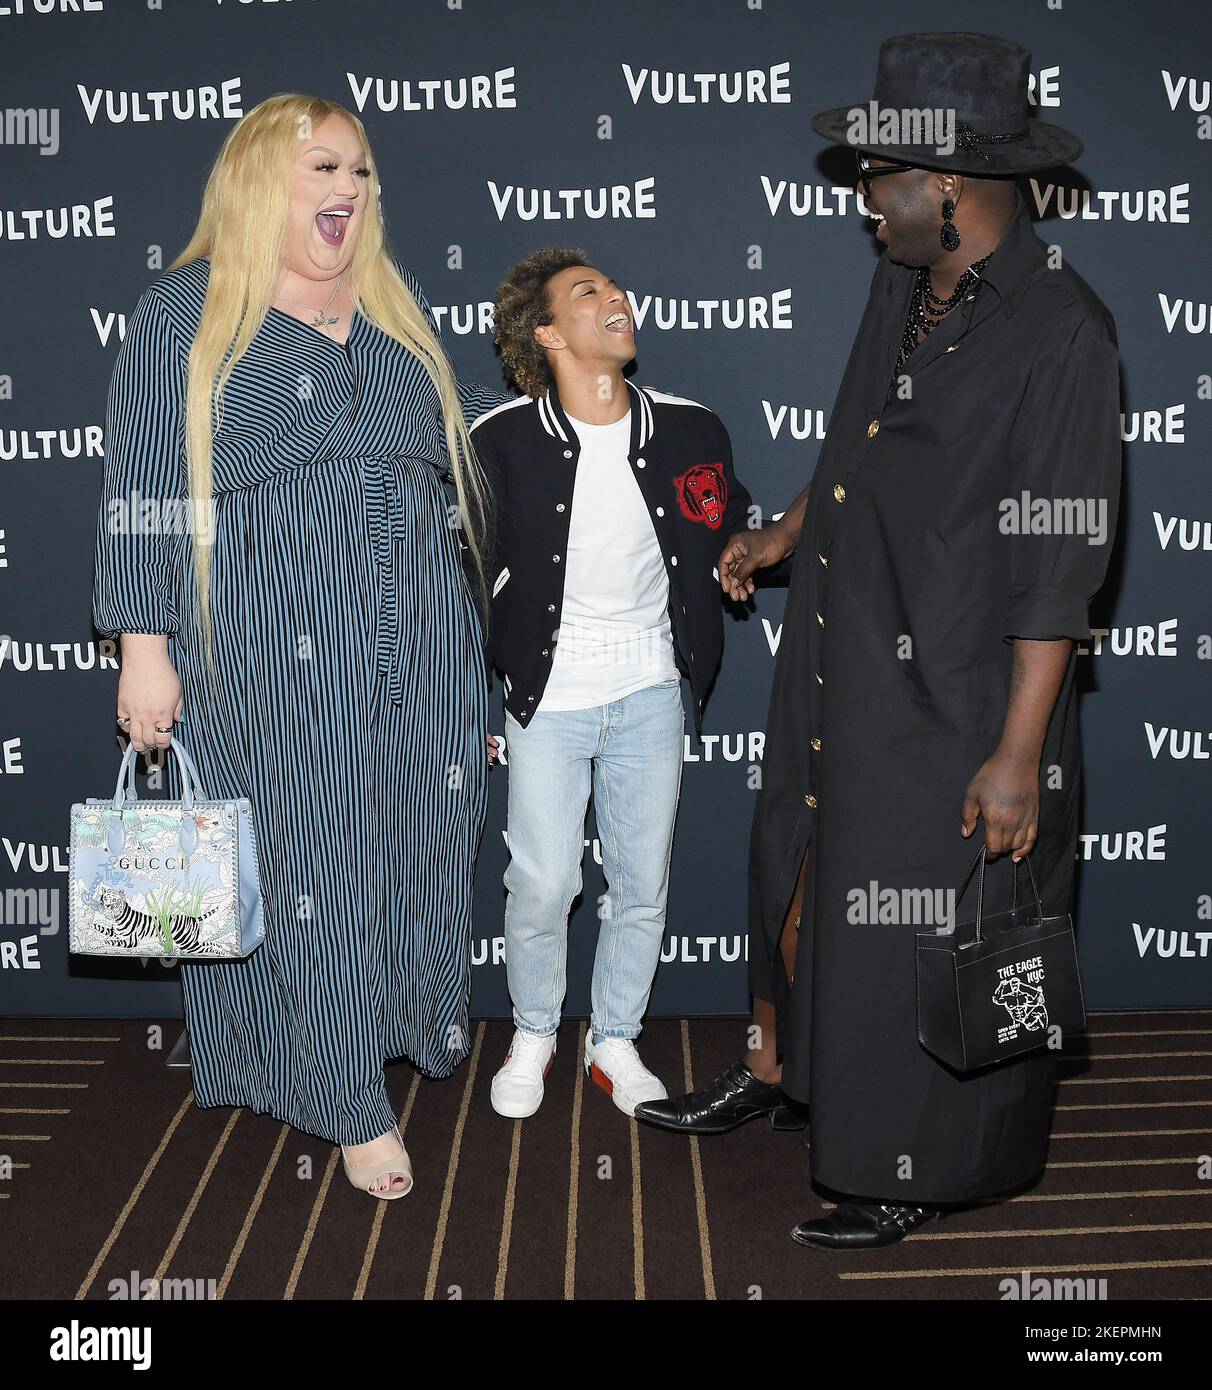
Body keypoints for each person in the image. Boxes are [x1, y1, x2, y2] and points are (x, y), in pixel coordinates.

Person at [636, 32, 1121, 1249]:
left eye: (877, 176)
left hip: (962, 685)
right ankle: (783, 1070)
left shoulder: (1066, 330)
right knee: (796, 868)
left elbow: (1064, 570)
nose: (862, 200)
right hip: (843, 649)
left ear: (948, 182)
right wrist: (779, 538)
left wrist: (1020, 753)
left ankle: (922, 1162)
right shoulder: (905, 283)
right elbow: (852, 442)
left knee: (930, 927)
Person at [92, 93, 508, 1200]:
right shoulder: (183, 312)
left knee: (419, 836)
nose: (346, 191)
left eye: (360, 173)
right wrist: (145, 646)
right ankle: (342, 1099)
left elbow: (453, 477)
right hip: (271, 638)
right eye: (320, 167)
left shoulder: (394, 306)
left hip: (421, 638)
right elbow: (144, 490)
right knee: (310, 854)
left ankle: (405, 1027)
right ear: (258, 181)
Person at [467, 249, 758, 1119]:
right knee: (546, 882)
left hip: (651, 693)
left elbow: (724, 526)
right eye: (587, 293)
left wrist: (740, 559)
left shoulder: (693, 427)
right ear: (546, 333)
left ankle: (616, 1037)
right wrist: (493, 688)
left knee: (642, 878)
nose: (616, 298)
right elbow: (462, 573)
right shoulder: (499, 439)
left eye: (617, 287)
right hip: (546, 699)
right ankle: (534, 1031)